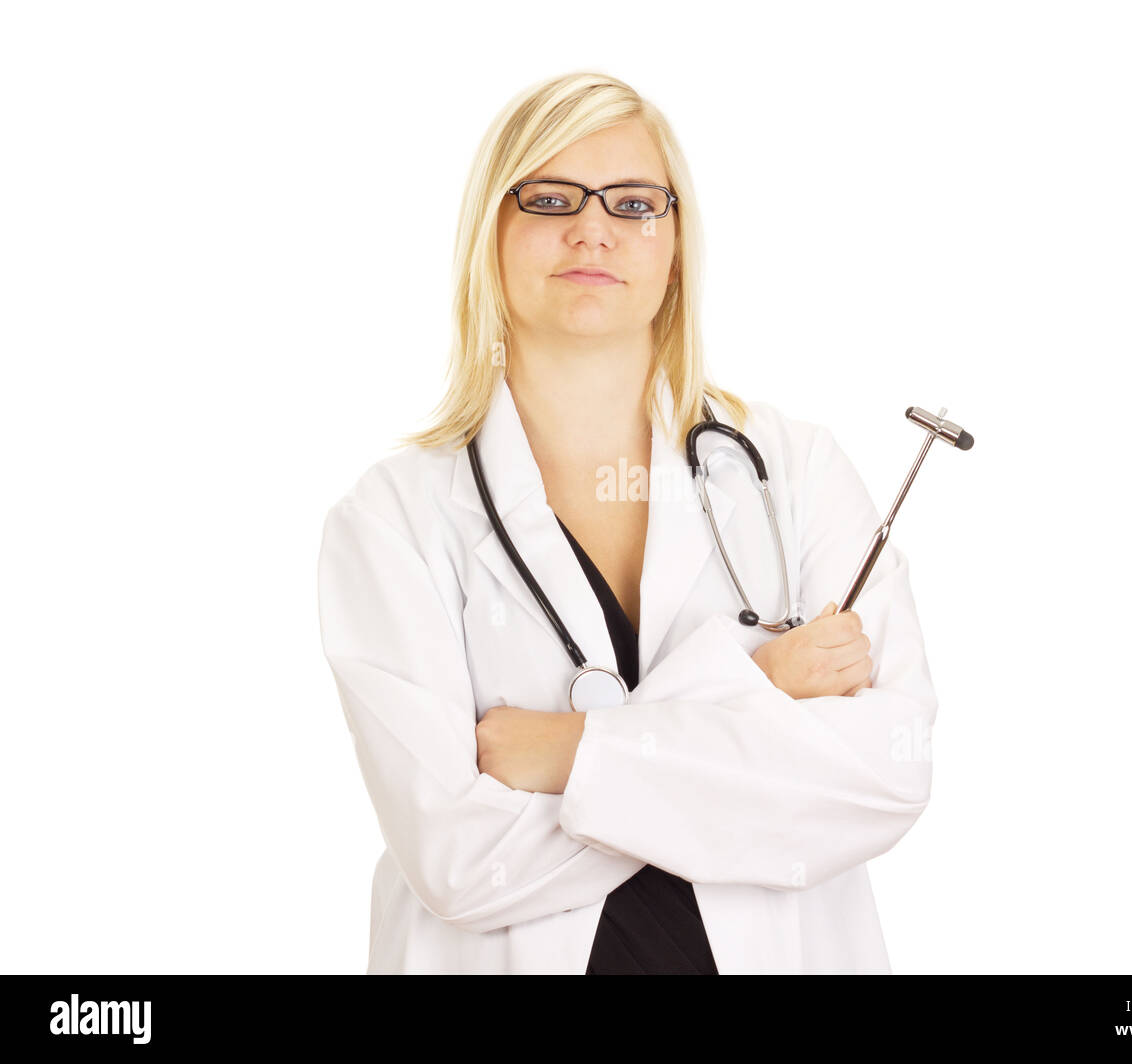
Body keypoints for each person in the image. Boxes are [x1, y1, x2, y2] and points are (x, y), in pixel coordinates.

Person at [316, 71, 939, 974]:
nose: (593, 228)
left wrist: (562, 752)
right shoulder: (392, 520)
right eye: (550, 197)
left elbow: (884, 775)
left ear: (677, 242)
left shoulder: (796, 473)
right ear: (491, 232)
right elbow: (458, 858)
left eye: (635, 202)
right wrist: (755, 695)